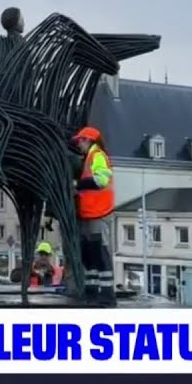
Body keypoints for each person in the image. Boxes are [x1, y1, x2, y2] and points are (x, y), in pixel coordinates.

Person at [71, 126, 117, 305]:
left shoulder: (97, 156)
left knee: (100, 252)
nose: (79, 144)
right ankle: (92, 290)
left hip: (99, 212)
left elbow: (101, 180)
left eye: (81, 141)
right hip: (91, 213)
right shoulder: (89, 157)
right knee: (91, 254)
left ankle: (106, 293)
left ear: (89, 140)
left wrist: (79, 185)